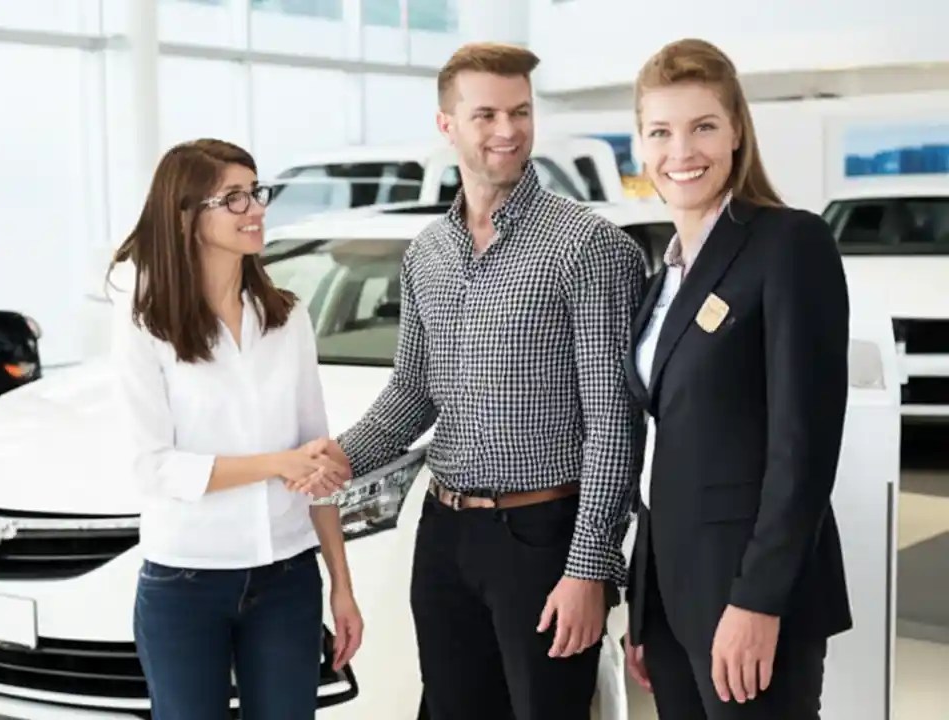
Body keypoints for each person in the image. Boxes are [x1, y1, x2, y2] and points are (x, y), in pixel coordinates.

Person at [320, 43, 646, 719]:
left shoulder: (588, 247)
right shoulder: (426, 253)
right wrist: (331, 461)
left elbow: (614, 424)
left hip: (543, 536)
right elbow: (412, 393)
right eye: (487, 114)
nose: (508, 130)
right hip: (444, 534)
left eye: (520, 112)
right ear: (447, 125)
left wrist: (589, 567)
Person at [621, 38, 852, 719]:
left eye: (702, 127)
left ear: (737, 133)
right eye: (660, 132)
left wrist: (757, 600)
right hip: (671, 599)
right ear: (640, 144)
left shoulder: (788, 243)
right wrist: (643, 604)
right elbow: (665, 446)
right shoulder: (663, 277)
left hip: (747, 599)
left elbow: (803, 447)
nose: (680, 151)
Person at [107, 138, 364, 720]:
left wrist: (341, 585)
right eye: (234, 198)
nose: (256, 209)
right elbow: (154, 467)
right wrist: (276, 464)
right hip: (185, 581)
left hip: (288, 579)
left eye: (256, 192)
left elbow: (317, 463)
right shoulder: (144, 320)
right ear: (186, 216)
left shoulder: (287, 318)